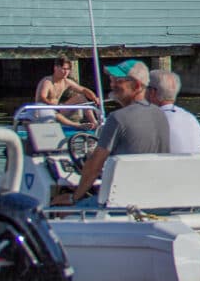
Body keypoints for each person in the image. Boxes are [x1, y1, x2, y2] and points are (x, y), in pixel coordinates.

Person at [55, 60, 169, 205]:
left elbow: (94, 166)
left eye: (119, 81)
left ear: (137, 86)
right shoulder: (160, 114)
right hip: (155, 199)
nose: (112, 84)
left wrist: (73, 197)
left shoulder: (117, 118)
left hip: (123, 202)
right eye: (112, 80)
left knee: (58, 208)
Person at [148, 69, 200, 155]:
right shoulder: (191, 118)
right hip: (197, 163)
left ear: (152, 92)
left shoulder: (153, 121)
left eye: (144, 88)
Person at [34, 58, 98, 127]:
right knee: (53, 111)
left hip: (58, 110)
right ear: (55, 68)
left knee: (80, 97)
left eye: (68, 69)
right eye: (64, 69)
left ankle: (95, 123)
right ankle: (77, 125)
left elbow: (83, 90)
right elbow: (42, 97)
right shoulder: (47, 81)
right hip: (43, 111)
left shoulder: (66, 81)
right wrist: (54, 106)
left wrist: (94, 98)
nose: (66, 72)